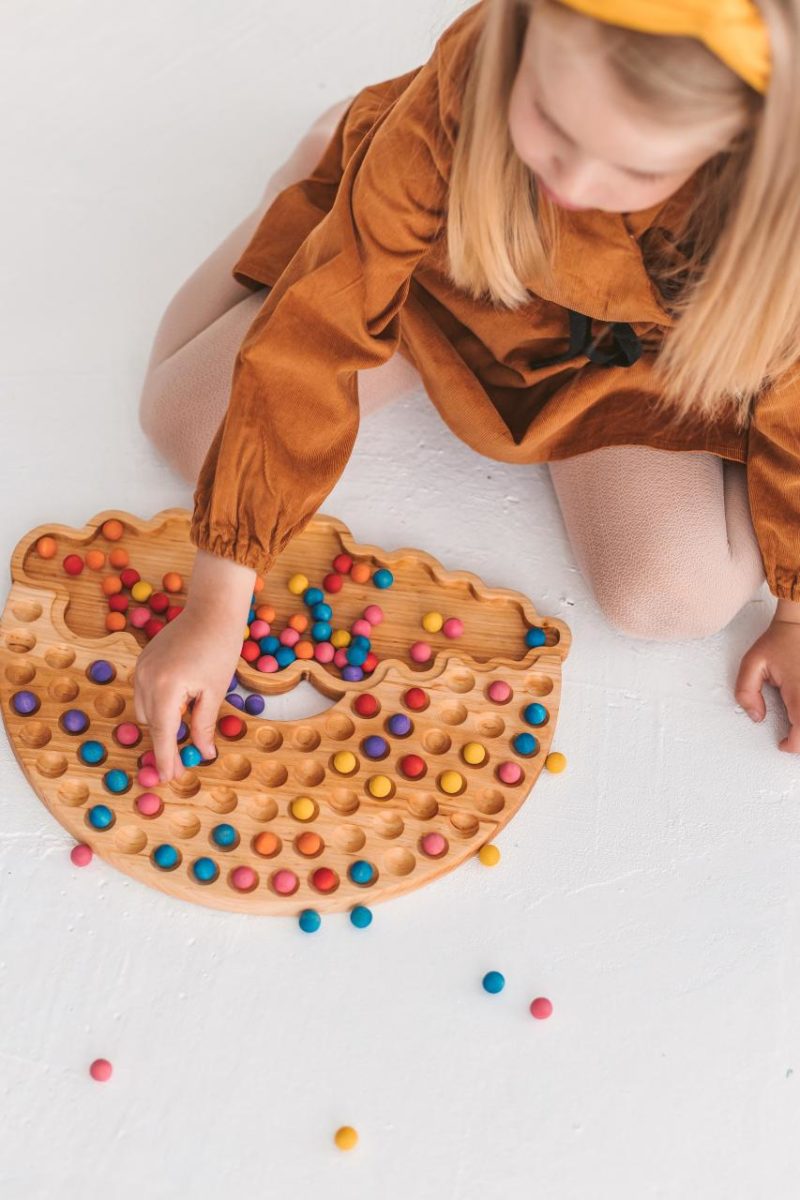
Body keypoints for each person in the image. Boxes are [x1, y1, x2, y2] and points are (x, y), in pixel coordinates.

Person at [137, 0, 800, 780]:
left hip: (630, 368)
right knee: (186, 425)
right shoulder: (470, 83)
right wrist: (220, 600)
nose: (576, 180)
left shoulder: (772, 202)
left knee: (672, 599)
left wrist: (794, 610)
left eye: (638, 168)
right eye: (551, 119)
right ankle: (322, 165)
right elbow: (319, 329)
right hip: (440, 291)